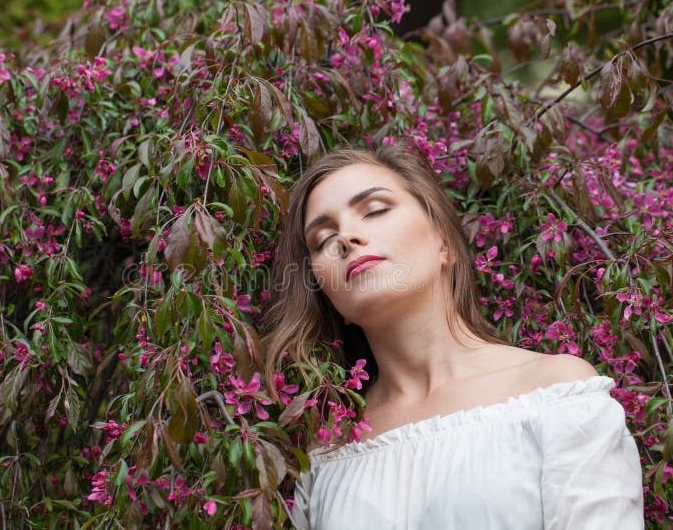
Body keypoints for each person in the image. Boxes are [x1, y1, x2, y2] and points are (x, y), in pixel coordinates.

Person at [262, 142, 644, 529]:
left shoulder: (555, 393)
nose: (346, 237)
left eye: (375, 210)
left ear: (444, 243)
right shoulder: (328, 451)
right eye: (323, 240)